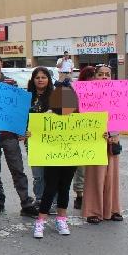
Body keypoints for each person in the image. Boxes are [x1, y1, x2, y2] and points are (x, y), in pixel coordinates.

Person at [0, 53, 38, 217]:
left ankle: (26, 203)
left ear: (1, 64)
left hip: (9, 133)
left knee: (17, 169)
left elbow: (18, 108)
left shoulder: (11, 83)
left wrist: (21, 129)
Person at [31, 81, 78, 238]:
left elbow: (89, 137)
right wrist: (30, 134)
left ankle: (61, 219)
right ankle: (41, 221)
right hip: (52, 158)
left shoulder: (79, 118)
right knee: (50, 188)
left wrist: (102, 135)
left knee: (65, 188)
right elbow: (35, 132)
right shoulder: (48, 116)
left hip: (70, 158)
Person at [82, 64, 123, 224]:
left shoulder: (119, 93)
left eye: (107, 74)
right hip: (94, 139)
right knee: (95, 176)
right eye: (101, 74)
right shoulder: (86, 94)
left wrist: (112, 133)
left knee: (112, 176)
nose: (104, 77)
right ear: (94, 77)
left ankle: (113, 210)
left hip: (113, 138)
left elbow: (124, 113)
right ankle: (93, 211)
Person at [26, 67, 53, 212]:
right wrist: (24, 132)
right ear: (33, 80)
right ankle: (39, 199)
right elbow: (21, 119)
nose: (40, 80)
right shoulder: (26, 98)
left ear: (48, 79)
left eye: (44, 77)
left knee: (51, 174)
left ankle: (52, 201)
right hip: (33, 142)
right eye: (37, 77)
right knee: (38, 175)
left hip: (53, 143)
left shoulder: (57, 96)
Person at [71, 66, 97, 211]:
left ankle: (94, 195)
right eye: (89, 76)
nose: (92, 79)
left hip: (98, 134)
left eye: (94, 75)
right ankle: (79, 195)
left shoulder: (105, 92)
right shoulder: (76, 92)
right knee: (81, 167)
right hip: (80, 133)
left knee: (95, 167)